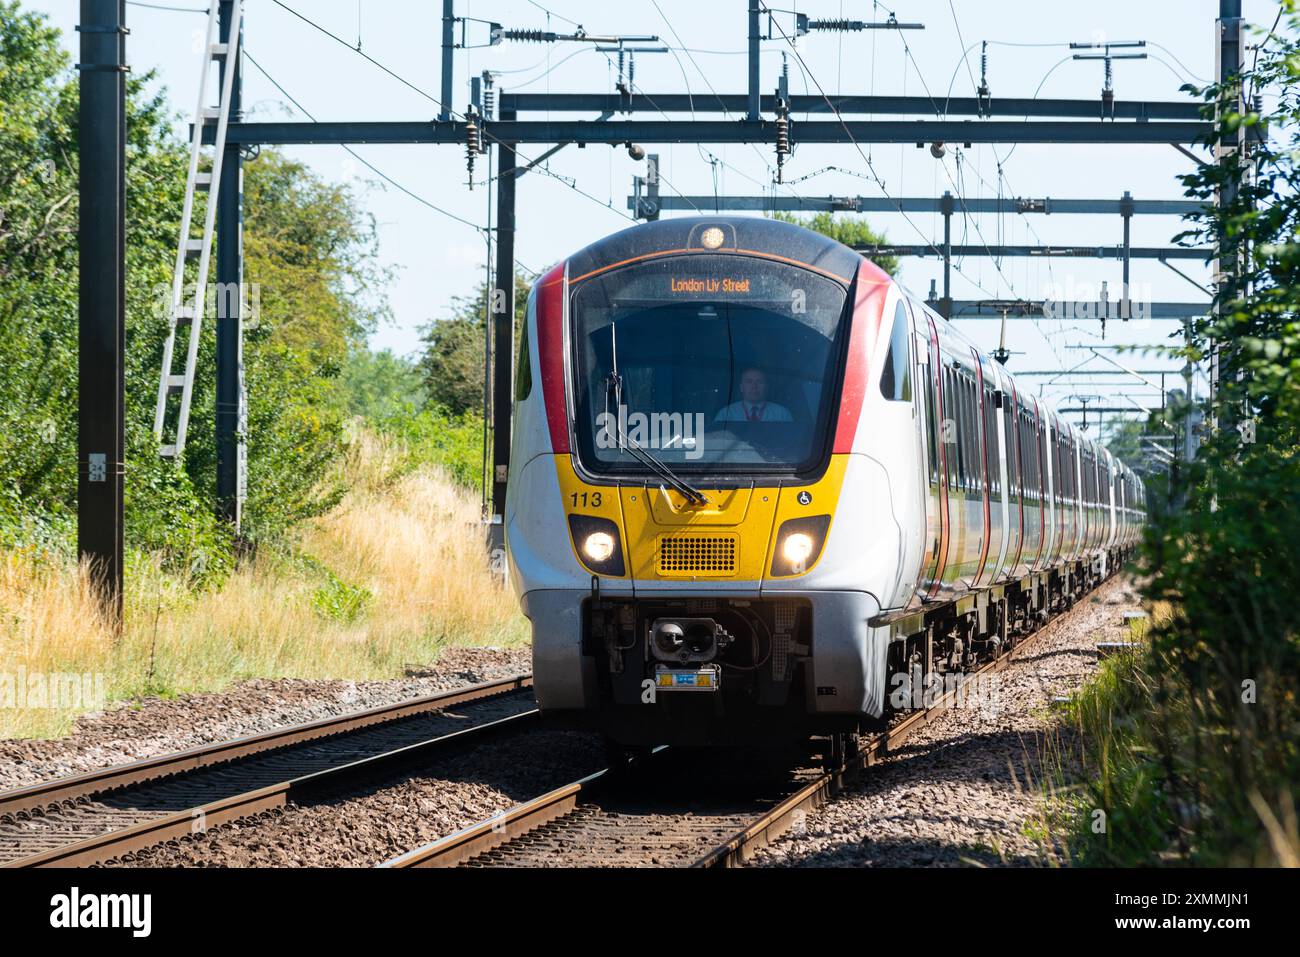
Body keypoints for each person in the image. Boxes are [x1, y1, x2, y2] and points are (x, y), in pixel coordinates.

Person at [713, 367, 793, 423]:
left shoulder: (782, 414)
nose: (754, 386)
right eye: (749, 382)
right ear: (741, 387)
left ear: (767, 387)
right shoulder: (726, 414)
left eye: (759, 382)